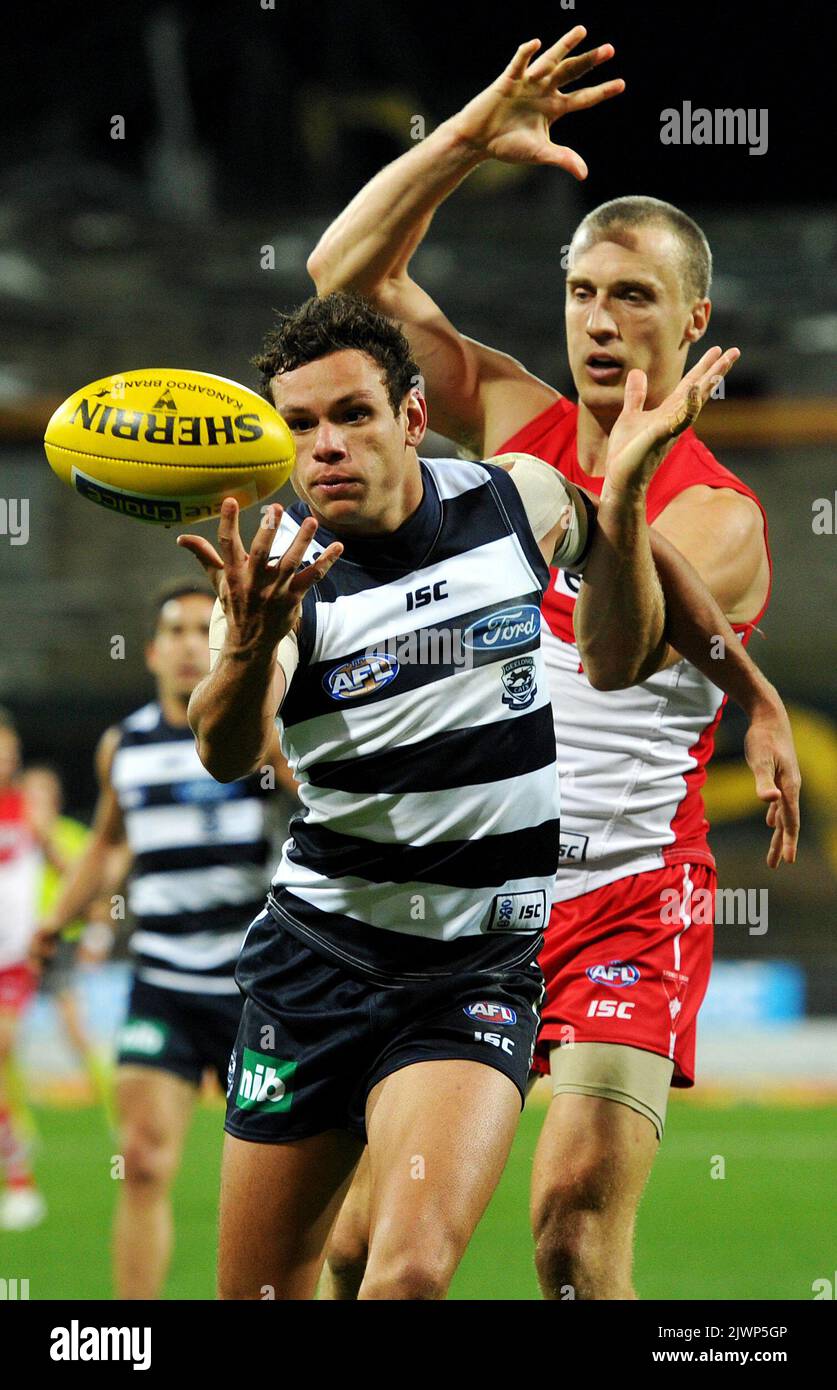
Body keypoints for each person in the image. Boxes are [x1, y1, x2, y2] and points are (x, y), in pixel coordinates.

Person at [306, 28, 801, 1299]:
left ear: (693, 320)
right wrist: (465, 139)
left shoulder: (718, 515)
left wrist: (620, 496)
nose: (599, 319)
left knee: (573, 1235)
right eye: (583, 289)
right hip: (474, 891)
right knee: (363, 1246)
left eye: (634, 296)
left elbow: (626, 657)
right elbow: (341, 274)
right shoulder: (517, 418)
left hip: (627, 895)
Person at [178, 288, 787, 1301]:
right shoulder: (275, 579)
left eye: (352, 415)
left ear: (413, 417)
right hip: (320, 964)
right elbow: (225, 746)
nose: (324, 445)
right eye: (299, 426)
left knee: (406, 1273)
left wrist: (752, 691)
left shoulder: (514, 501)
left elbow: (637, 554)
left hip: (475, 970)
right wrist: (245, 650)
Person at [33, 581, 284, 1298]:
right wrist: (57, 922)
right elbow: (111, 847)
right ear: (149, 650)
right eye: (171, 629)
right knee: (140, 1162)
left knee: (275, 1178)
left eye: (201, 628)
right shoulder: (126, 745)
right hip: (161, 981)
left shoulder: (256, 736)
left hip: (255, 987)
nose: (183, 643)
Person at [0, 716, 68, 1229]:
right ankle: (15, 1146)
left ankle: (21, 1182)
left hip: (12, 960)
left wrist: (72, 921)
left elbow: (65, 864)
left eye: (10, 750)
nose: (6, 758)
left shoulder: (28, 808)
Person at [22, 765, 115, 1117]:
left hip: (56, 940)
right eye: (28, 796)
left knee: (71, 1019)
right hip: (15, 941)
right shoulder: (11, 837)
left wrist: (47, 844)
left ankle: (104, 1092)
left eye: (41, 796)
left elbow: (90, 892)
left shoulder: (73, 836)